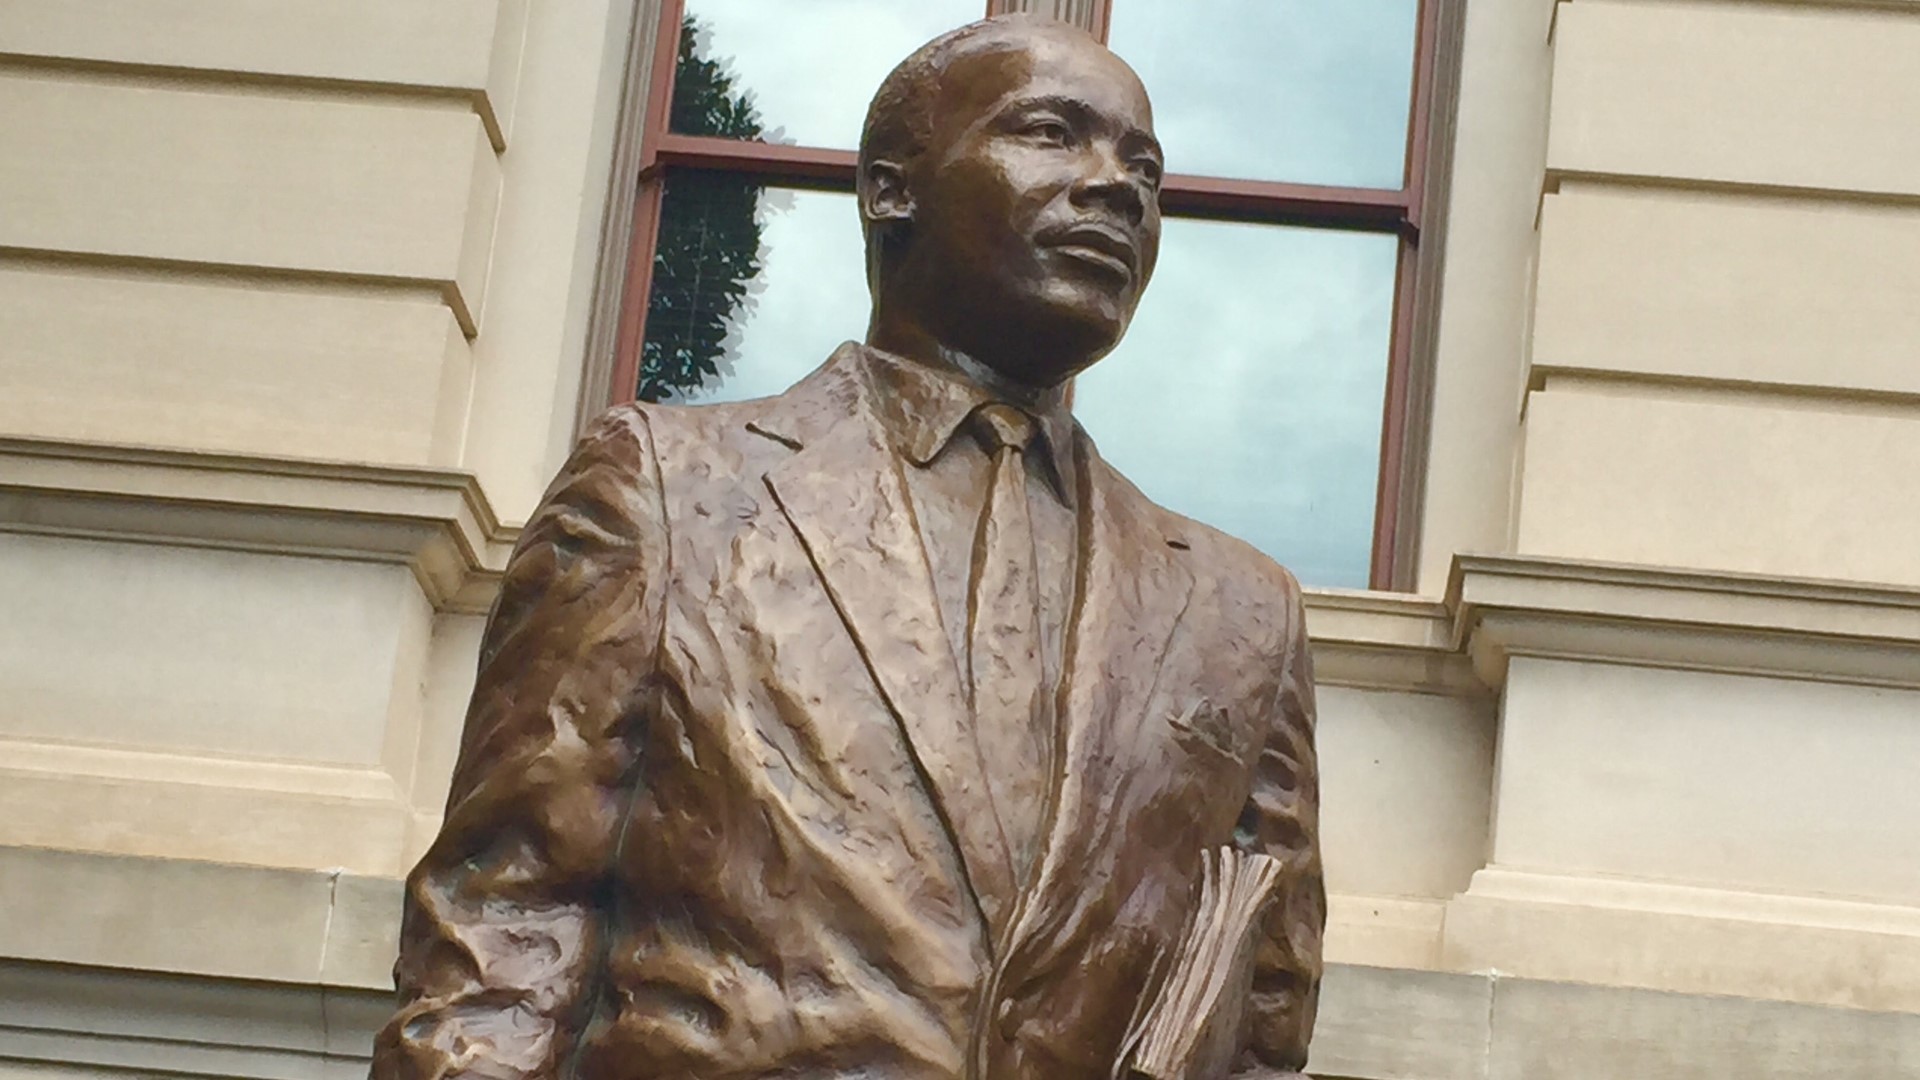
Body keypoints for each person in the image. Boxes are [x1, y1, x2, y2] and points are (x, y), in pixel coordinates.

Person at [373, 14, 1322, 1080]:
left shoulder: (1246, 612)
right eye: (1053, 134)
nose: (1118, 187)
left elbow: (1263, 1027)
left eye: (1144, 168)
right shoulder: (668, 490)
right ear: (889, 187)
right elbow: (503, 934)